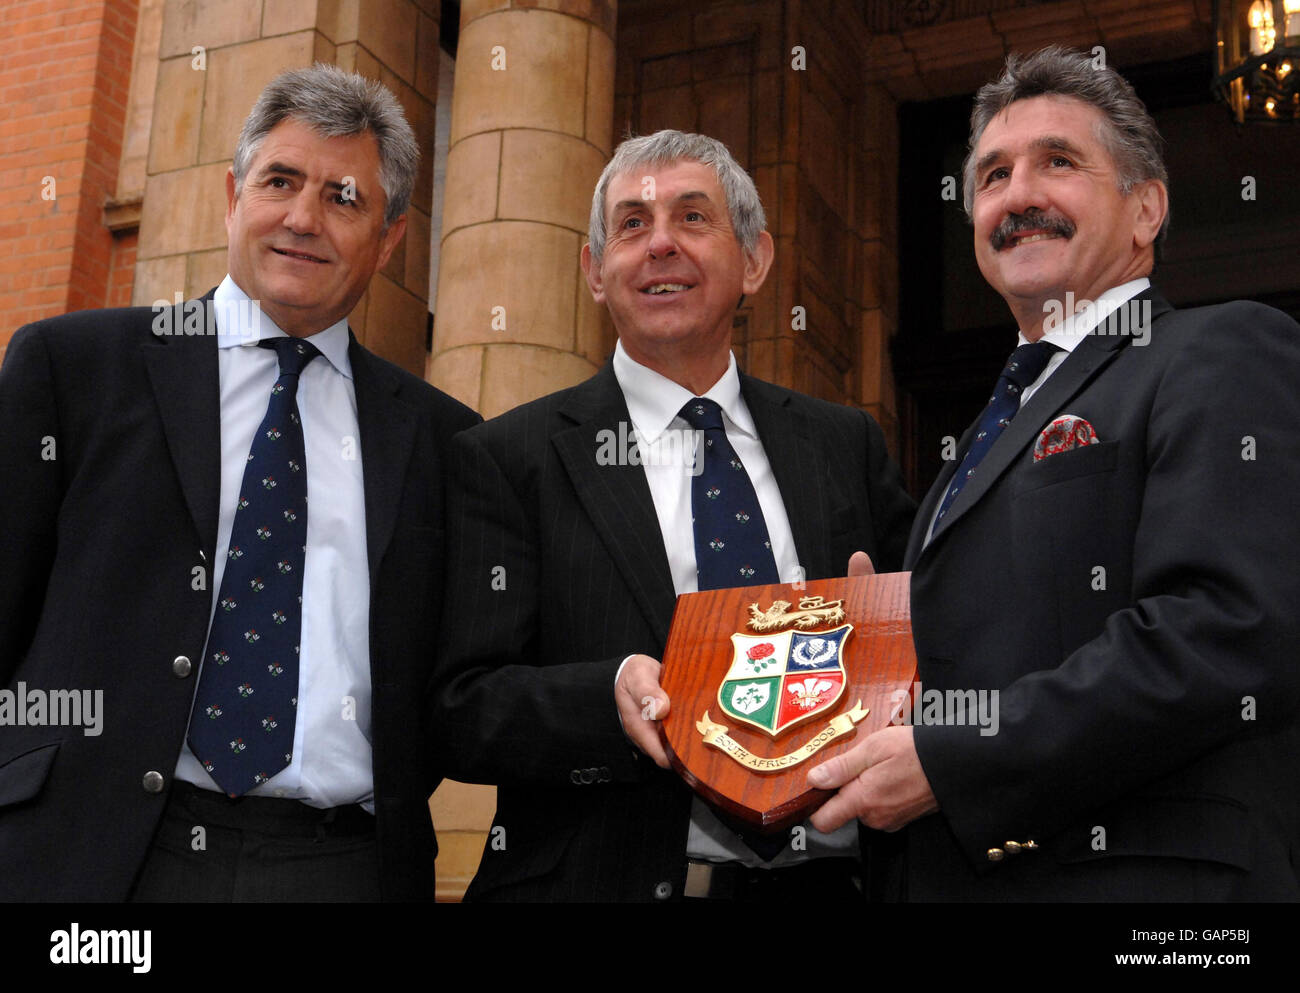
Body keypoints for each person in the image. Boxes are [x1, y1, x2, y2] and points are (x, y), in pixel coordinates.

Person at [806, 45, 1300, 901]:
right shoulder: (986, 433)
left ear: (1146, 209)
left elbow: (1226, 628)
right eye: (993, 175)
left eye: (1058, 163)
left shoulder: (1222, 351)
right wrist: (883, 645)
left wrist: (956, 756)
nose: (1019, 195)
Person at [0, 63, 479, 901]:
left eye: (343, 198)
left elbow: (452, 684)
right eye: (280, 181)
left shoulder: (444, 441)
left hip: (342, 865)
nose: (302, 218)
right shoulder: (73, 369)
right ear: (233, 196)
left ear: (391, 237)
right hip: (93, 856)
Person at [429, 130, 916, 902]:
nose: (660, 245)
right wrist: (606, 697)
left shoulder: (842, 443)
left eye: (692, 218)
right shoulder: (508, 457)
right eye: (631, 224)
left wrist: (892, 645)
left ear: (754, 260)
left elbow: (941, 634)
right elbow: (461, 706)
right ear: (594, 272)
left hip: (832, 881)